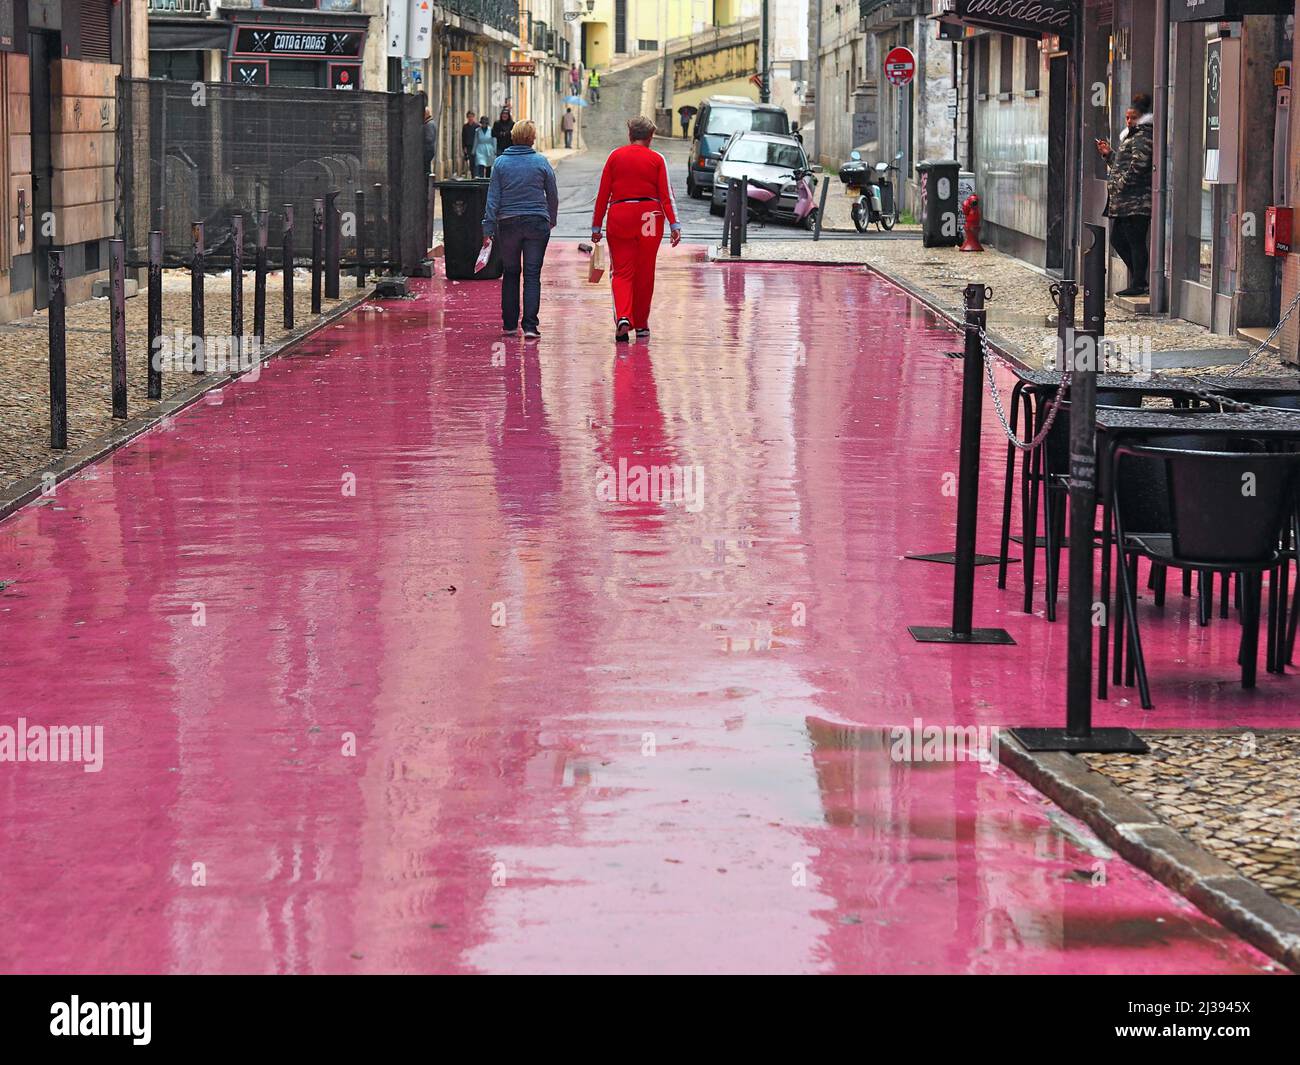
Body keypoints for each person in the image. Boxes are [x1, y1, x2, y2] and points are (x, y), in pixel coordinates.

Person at [591, 115, 682, 343]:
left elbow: (603, 194)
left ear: (630, 135)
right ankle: (641, 324)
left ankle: (623, 317)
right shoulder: (657, 159)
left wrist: (596, 225)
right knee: (645, 272)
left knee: (621, 272)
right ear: (650, 137)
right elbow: (666, 195)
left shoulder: (615, 156)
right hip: (650, 218)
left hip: (620, 215)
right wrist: (674, 224)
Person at [482, 120, 559, 340]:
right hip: (537, 223)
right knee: (532, 275)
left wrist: (488, 227)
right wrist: (550, 219)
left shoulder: (500, 164)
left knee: (511, 272)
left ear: (513, 137)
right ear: (532, 138)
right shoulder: (541, 162)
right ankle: (530, 326)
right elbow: (552, 195)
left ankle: (509, 325)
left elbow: (493, 199)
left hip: (508, 224)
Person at [1098, 92, 1154, 297]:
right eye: (1127, 117)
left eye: (1133, 117)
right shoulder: (1131, 136)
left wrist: (1121, 185)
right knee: (1119, 239)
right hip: (1125, 202)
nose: (1129, 120)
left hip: (1136, 202)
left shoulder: (1142, 136)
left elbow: (1138, 165)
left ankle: (1139, 282)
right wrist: (1109, 155)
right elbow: (1122, 166)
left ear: (1142, 117)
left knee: (1133, 240)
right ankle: (1138, 279)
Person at [460, 110, 478, 177]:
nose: (470, 118)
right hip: (469, 146)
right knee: (471, 162)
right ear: (467, 117)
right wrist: (464, 147)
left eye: (472, 117)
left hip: (476, 146)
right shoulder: (465, 127)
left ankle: (476, 175)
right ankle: (473, 175)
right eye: (469, 117)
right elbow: (463, 137)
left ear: (474, 117)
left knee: (476, 162)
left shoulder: (477, 126)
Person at [422, 107, 437, 175]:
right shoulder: (430, 123)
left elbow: (429, 138)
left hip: (428, 150)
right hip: (429, 149)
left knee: (426, 169)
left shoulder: (429, 124)